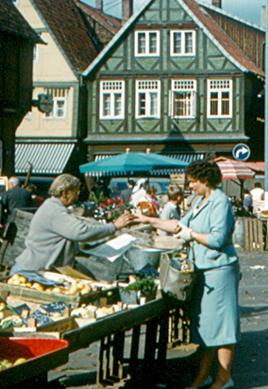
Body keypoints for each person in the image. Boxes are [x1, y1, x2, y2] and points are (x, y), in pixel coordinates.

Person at [134, 160, 239, 389]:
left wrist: (191, 234)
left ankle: (224, 378)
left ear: (205, 180)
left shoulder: (220, 202)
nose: (190, 186)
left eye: (193, 181)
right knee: (207, 327)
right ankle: (203, 376)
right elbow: (178, 226)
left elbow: (217, 239)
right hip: (203, 269)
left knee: (223, 325)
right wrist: (149, 220)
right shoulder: (200, 201)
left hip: (219, 269)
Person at [12, 174, 135, 274]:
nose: (76, 197)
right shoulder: (54, 211)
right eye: (75, 193)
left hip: (36, 269)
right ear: (65, 193)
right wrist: (114, 227)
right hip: (31, 271)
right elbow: (81, 232)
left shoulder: (52, 206)